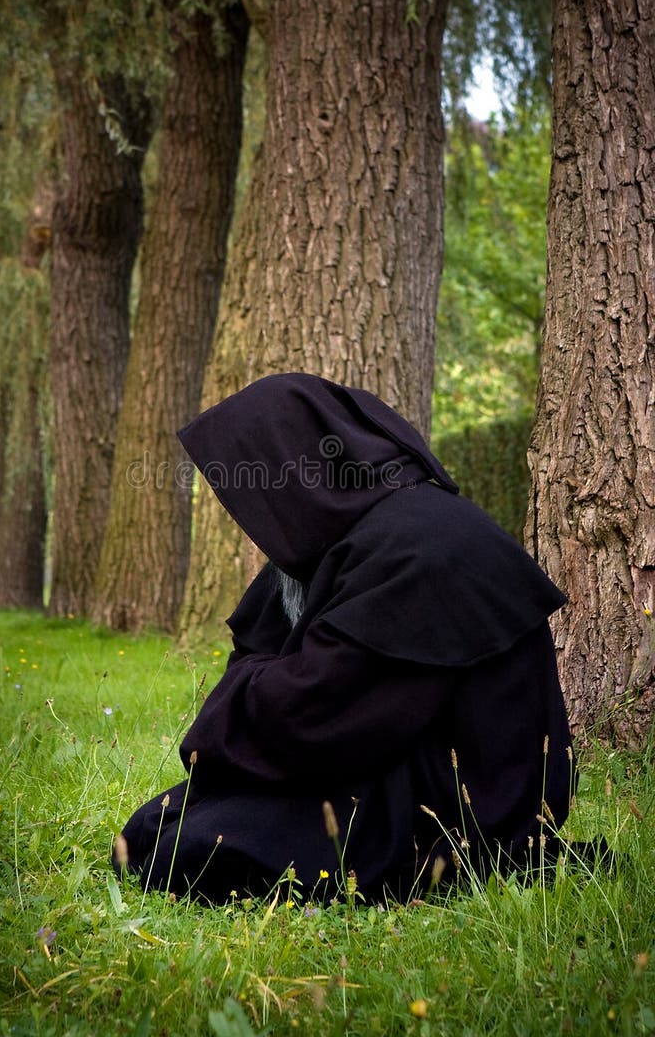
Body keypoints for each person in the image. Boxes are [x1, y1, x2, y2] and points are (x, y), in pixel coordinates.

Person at [115, 373, 575, 904]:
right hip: (381, 767)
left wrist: (250, 691)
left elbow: (310, 711)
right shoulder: (354, 535)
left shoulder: (420, 550)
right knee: (149, 832)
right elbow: (266, 658)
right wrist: (260, 684)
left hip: (456, 811)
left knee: (193, 853)